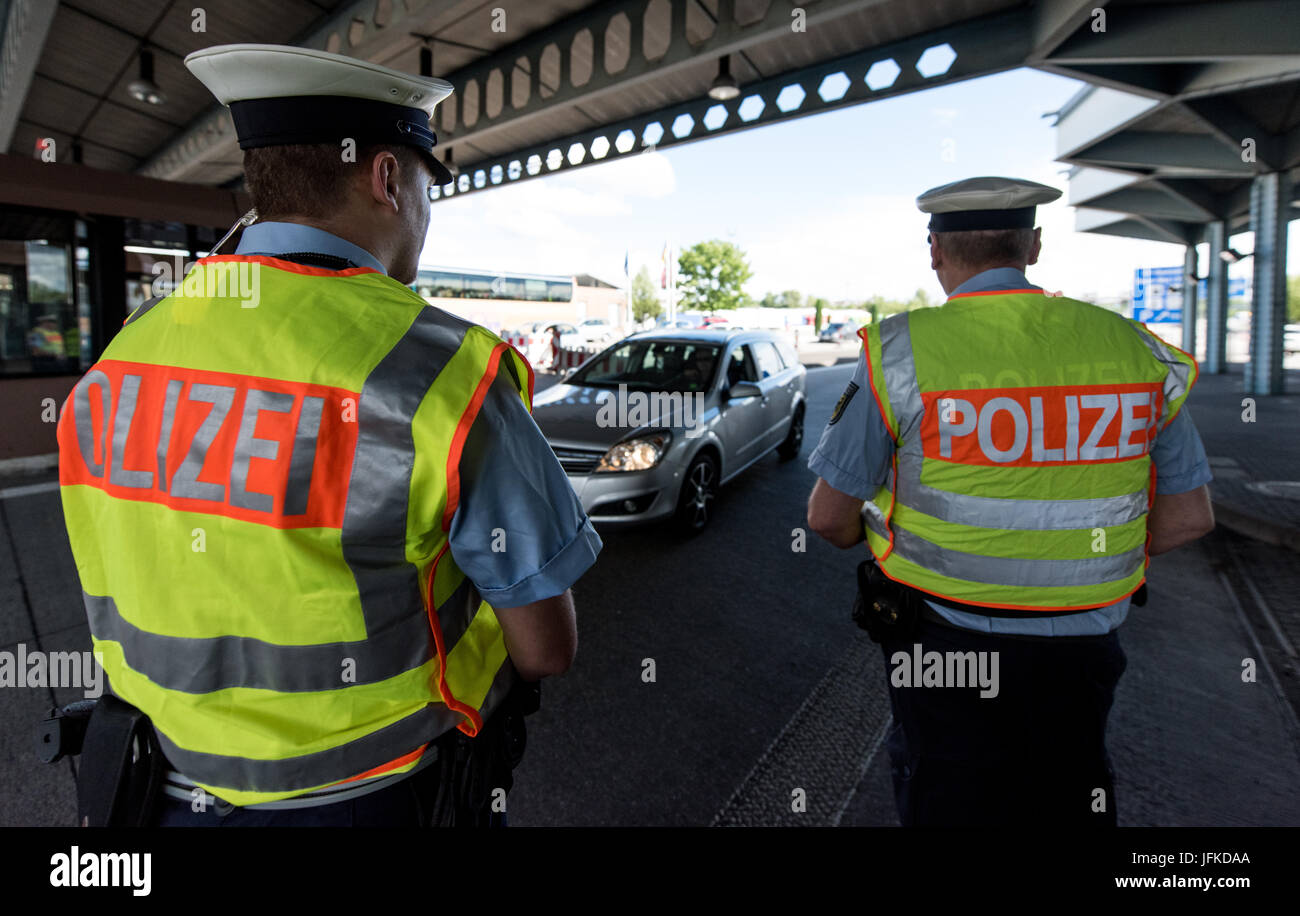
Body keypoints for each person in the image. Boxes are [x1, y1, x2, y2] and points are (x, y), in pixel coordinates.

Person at [55, 43, 602, 826]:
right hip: (370, 799)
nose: (425, 211)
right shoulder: (443, 368)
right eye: (425, 185)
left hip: (146, 794)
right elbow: (546, 647)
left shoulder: (126, 353)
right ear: (386, 179)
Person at [805, 176, 1215, 827]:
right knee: (1068, 795)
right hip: (1082, 653)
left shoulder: (900, 350)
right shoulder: (1132, 349)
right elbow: (1191, 517)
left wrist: (886, 537)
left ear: (935, 250)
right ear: (1035, 245)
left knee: (947, 796)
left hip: (942, 642)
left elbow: (828, 519)